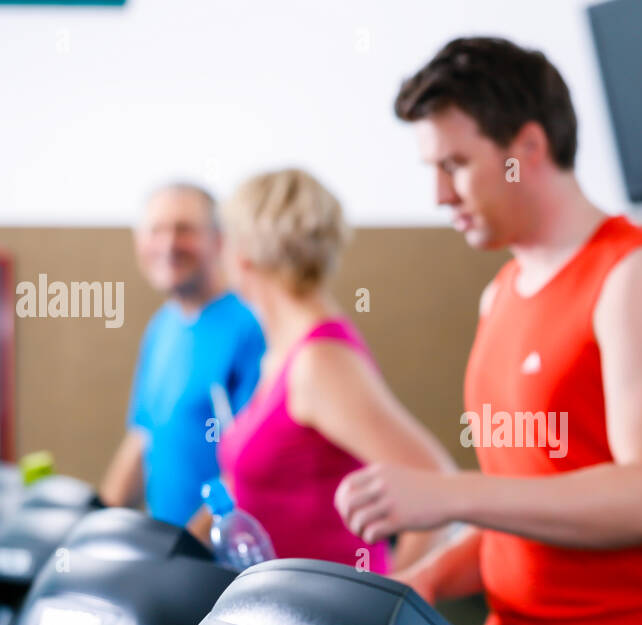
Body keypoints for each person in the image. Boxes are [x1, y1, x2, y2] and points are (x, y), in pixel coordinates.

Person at [334, 37, 642, 625]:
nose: (439, 194)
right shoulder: (504, 291)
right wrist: (427, 580)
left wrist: (452, 494)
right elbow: (532, 503)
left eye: (456, 164)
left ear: (528, 149)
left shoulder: (638, 275)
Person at [189, 168, 454, 571]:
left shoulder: (319, 362)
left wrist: (397, 599)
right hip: (282, 612)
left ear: (241, 254)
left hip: (333, 620)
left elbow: (438, 486)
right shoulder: (281, 351)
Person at [100, 183, 265, 525]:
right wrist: (98, 524)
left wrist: (188, 547)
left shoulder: (250, 327)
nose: (169, 244)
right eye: (156, 231)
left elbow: (252, 470)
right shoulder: (162, 326)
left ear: (218, 241)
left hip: (224, 564)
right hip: (170, 558)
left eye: (184, 230)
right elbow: (143, 437)